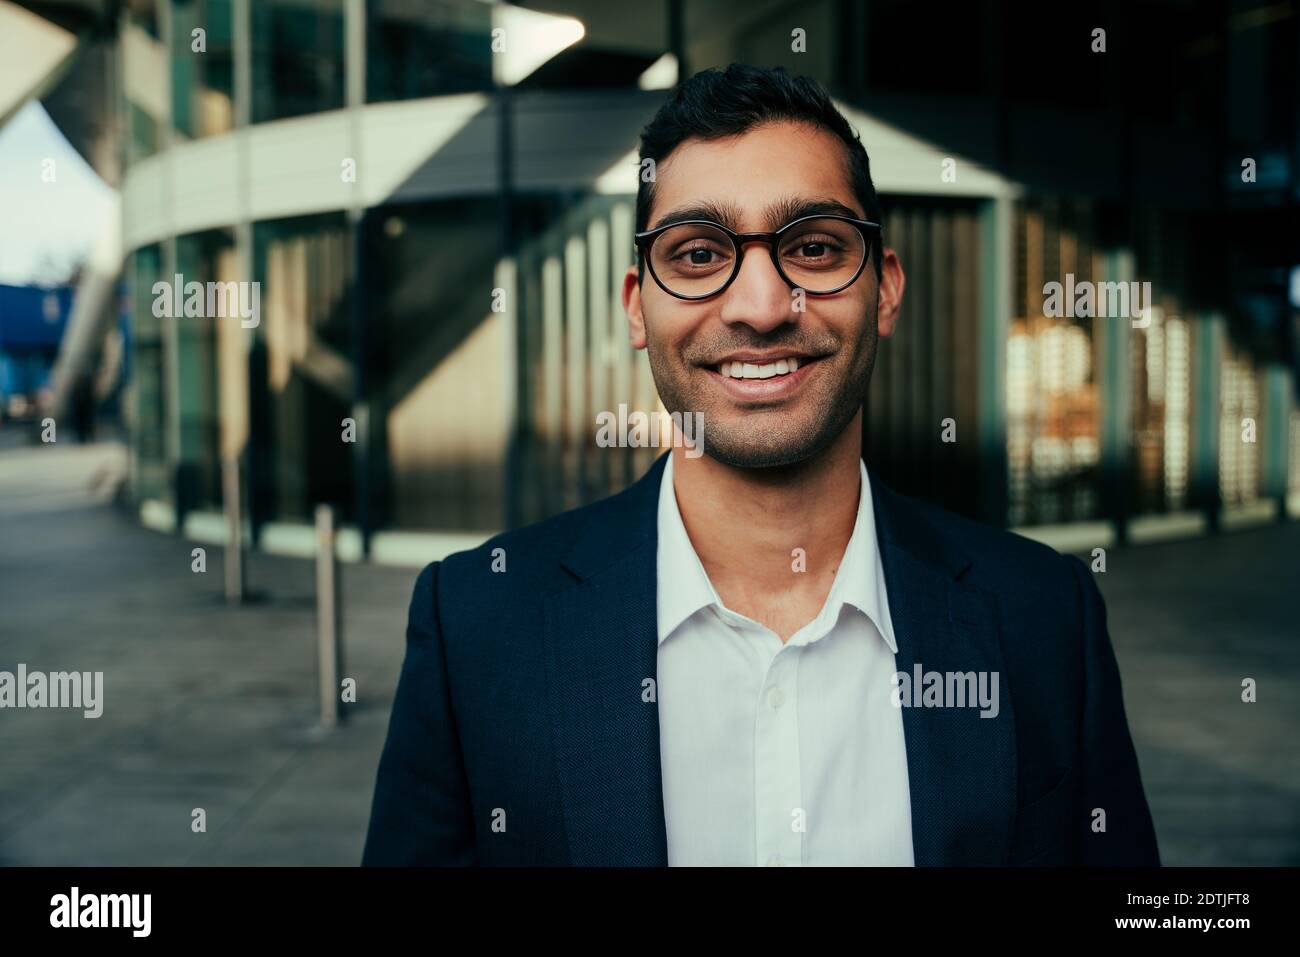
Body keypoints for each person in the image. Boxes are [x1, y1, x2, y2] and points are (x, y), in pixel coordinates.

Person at [362, 64, 1159, 867]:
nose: (762, 306)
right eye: (700, 253)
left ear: (883, 290)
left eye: (813, 246)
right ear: (638, 306)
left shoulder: (1045, 619)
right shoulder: (476, 627)